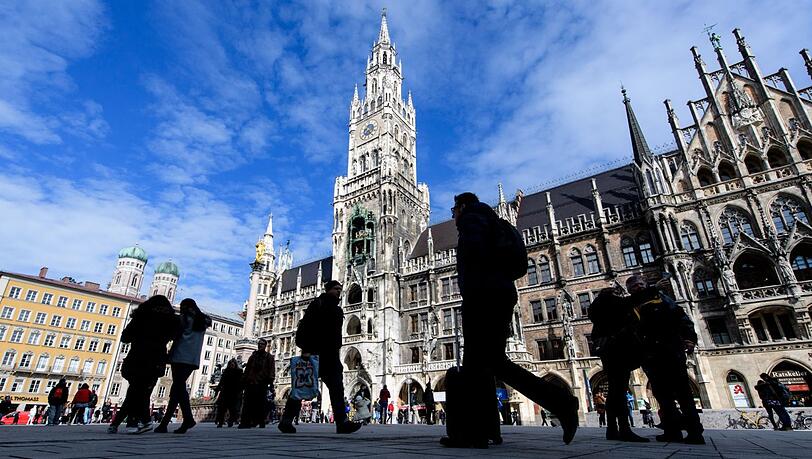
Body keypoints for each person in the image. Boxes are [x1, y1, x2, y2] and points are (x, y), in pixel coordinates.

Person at [441, 192, 578, 449]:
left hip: (482, 297)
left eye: (453, 211)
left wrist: (473, 286)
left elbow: (474, 254)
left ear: (461, 206)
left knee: (479, 364)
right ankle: (486, 431)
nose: (453, 216)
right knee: (489, 364)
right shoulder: (497, 222)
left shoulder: (472, 218)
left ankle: (560, 402)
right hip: (500, 294)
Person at [626, 274, 704, 444]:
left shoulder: (662, 299)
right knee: (662, 395)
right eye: (632, 287)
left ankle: (694, 432)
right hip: (650, 354)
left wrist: (690, 338)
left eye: (639, 284)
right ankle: (672, 431)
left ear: (645, 284)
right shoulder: (631, 304)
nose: (636, 288)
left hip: (671, 349)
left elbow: (681, 318)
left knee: (683, 392)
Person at [278, 280, 362, 435]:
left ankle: (341, 422)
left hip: (331, 355)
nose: (339, 292)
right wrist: (306, 349)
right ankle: (286, 420)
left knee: (336, 388)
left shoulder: (336, 309)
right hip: (315, 353)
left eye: (340, 290)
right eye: (336, 289)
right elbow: (306, 327)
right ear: (328, 289)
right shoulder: (318, 305)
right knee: (302, 386)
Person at [108, 295, 179, 434]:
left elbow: (125, 337)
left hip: (137, 357)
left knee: (136, 391)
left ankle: (120, 423)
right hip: (155, 359)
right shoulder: (170, 321)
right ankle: (138, 422)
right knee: (141, 392)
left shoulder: (140, 317)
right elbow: (175, 336)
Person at [155, 298, 211, 434]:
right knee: (177, 390)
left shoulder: (183, 319)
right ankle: (164, 424)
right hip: (192, 359)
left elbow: (175, 336)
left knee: (179, 388)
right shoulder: (202, 321)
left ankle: (188, 418)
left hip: (179, 356)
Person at [239, 338, 275, 428]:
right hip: (251, 382)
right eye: (259, 344)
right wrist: (244, 380)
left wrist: (271, 382)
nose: (260, 345)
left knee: (260, 403)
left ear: (265, 346)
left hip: (262, 382)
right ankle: (245, 421)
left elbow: (271, 370)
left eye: (262, 344)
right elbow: (247, 369)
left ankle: (260, 421)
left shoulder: (269, 357)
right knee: (248, 403)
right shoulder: (253, 356)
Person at [214, 358, 243, 427]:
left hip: (234, 392)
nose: (232, 365)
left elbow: (241, 382)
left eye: (233, 364)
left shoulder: (239, 372)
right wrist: (217, 390)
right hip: (225, 392)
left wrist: (240, 390)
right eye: (230, 364)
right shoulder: (226, 372)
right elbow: (221, 382)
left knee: (232, 409)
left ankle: (231, 421)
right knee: (222, 408)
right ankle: (221, 422)